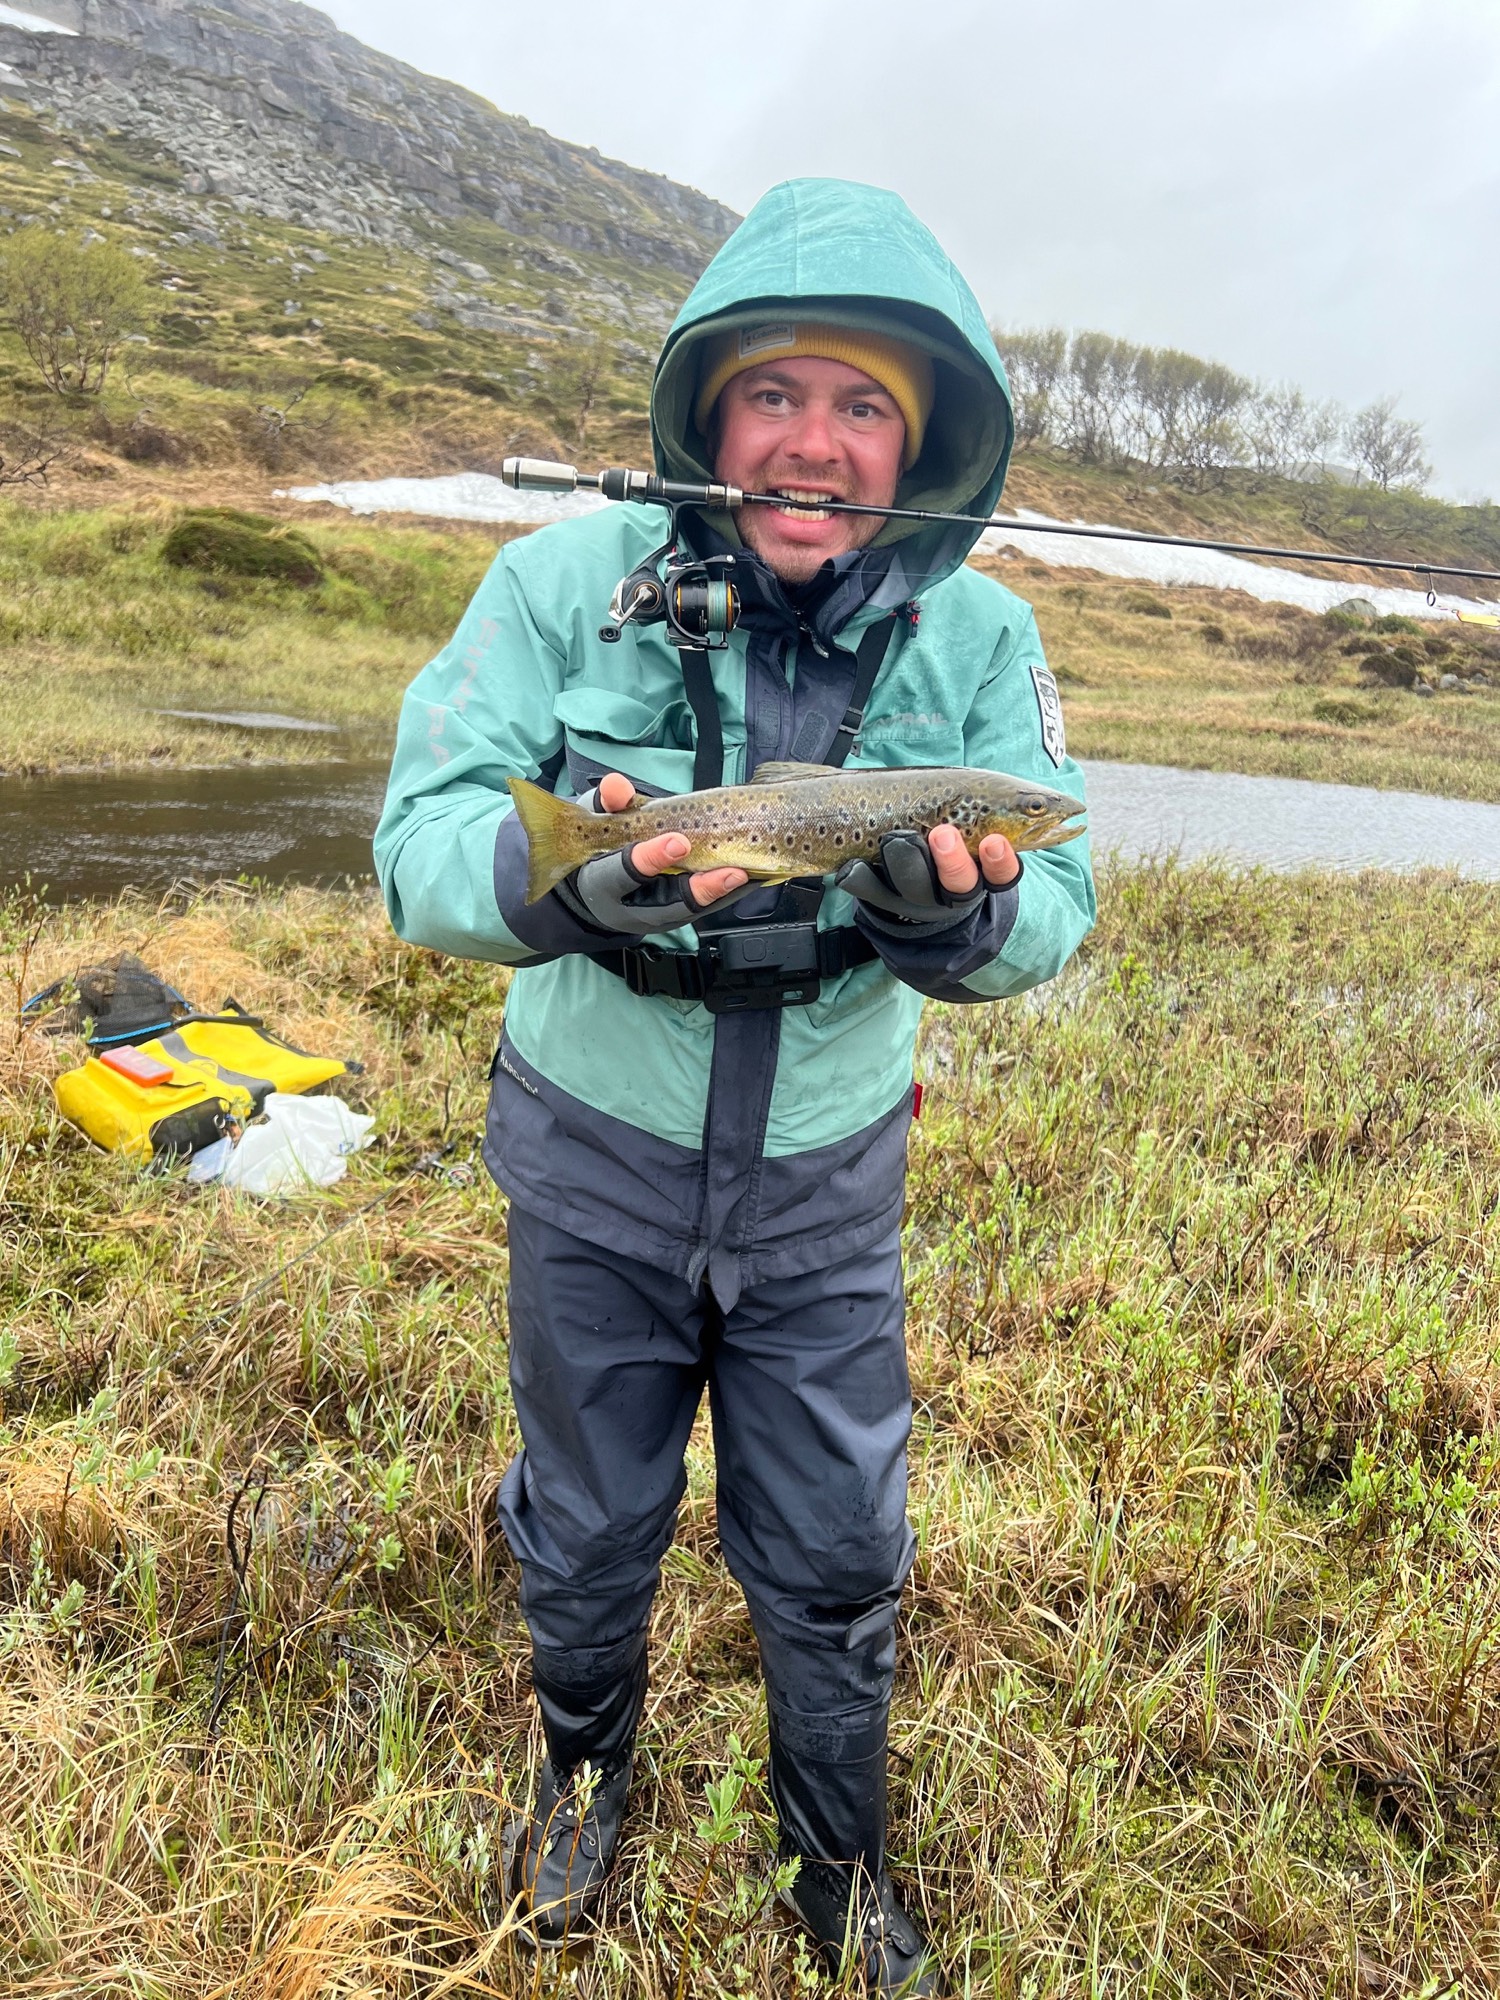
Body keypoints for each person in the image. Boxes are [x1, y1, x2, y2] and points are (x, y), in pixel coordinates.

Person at [374, 176, 1095, 1996]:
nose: (818, 442)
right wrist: (569, 877)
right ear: (710, 413)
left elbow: (1054, 911)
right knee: (590, 1508)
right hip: (593, 1163)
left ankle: (832, 1852)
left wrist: (957, 921)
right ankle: (581, 1778)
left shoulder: (983, 643)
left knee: (841, 1539)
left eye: (868, 408)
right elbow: (422, 849)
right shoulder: (553, 587)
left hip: (824, 1186)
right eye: (778, 394)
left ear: (921, 443)